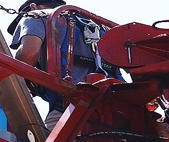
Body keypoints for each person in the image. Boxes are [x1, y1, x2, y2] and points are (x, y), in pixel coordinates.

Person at [7, 1, 122, 134]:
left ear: (33, 6)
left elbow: (28, 54)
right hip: (116, 107)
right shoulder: (103, 28)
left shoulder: (35, 15)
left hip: (70, 106)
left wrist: (14, 76)